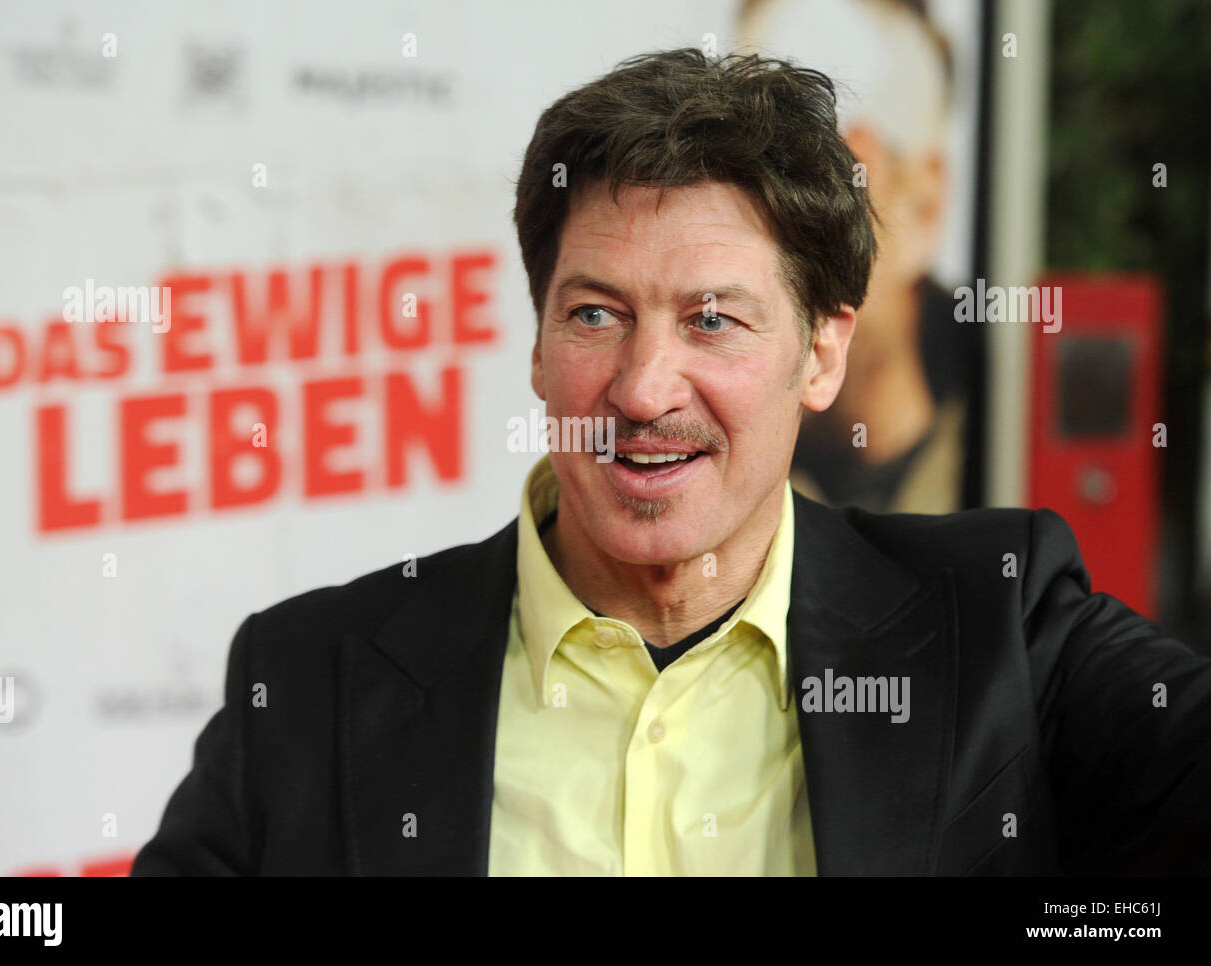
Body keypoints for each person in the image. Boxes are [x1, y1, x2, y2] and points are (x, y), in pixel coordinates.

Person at [132, 48, 1211, 876]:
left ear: (822, 351)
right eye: (595, 314)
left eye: (712, 321)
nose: (643, 390)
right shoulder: (310, 680)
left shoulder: (1002, 626)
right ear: (538, 345)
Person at [737, 0, 984, 513]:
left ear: (925, 207)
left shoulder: (1008, 447)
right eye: (741, 174)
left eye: (820, 175)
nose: (776, 213)